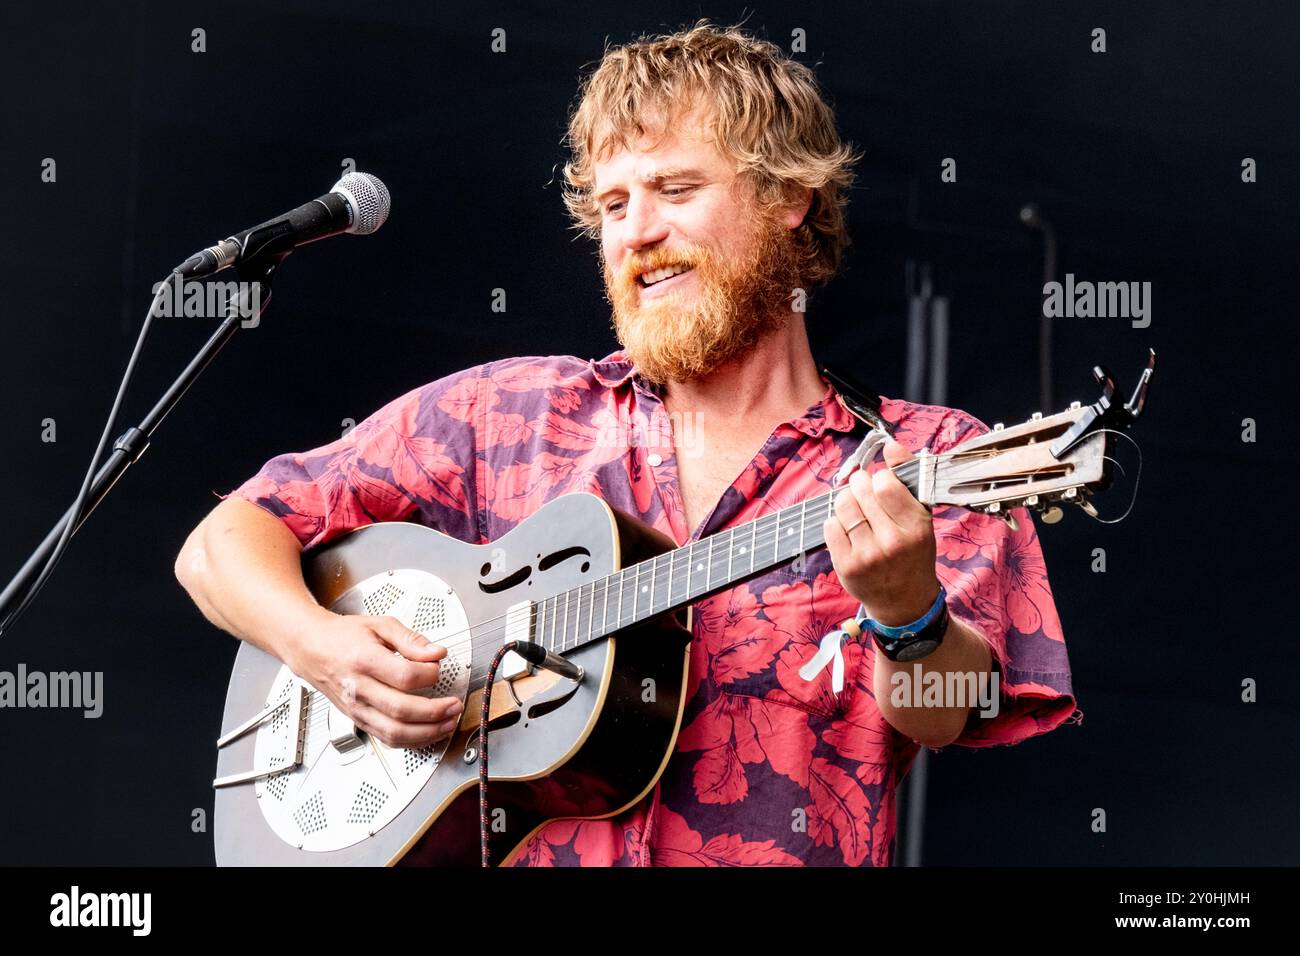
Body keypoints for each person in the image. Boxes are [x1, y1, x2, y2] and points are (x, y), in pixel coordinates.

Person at [175, 21, 1079, 866]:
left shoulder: (921, 456)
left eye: (676, 190)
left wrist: (909, 614)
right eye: (613, 203)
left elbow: (947, 715)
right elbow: (220, 547)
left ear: (790, 199)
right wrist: (324, 651)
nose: (637, 232)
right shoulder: (509, 414)